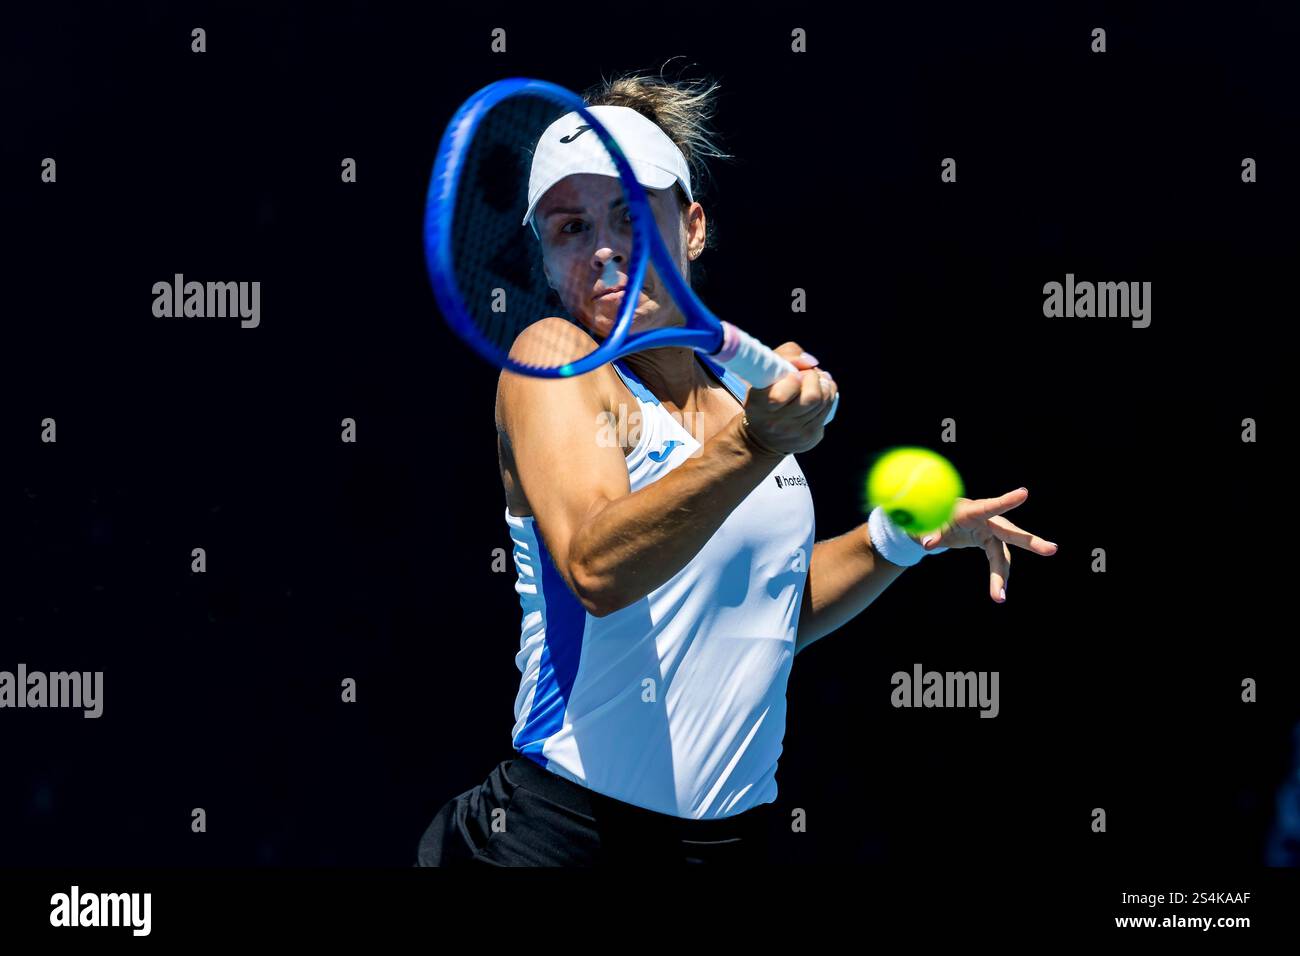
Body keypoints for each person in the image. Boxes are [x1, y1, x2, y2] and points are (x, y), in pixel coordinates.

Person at [416, 68, 1058, 866]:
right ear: (545, 261)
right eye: (570, 229)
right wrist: (754, 445)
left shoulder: (742, 392)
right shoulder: (554, 360)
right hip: (559, 842)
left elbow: (763, 612)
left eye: (629, 214)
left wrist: (895, 539)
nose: (606, 247)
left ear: (691, 226)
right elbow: (595, 566)